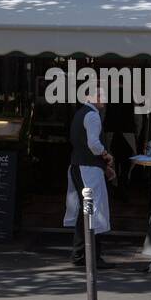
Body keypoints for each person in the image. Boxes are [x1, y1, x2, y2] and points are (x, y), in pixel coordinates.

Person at [64, 90, 114, 268]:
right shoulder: (93, 115)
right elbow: (93, 144)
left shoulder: (80, 113)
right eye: (100, 95)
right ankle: (93, 257)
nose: (104, 99)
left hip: (78, 165)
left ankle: (79, 255)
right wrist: (105, 155)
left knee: (84, 212)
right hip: (89, 169)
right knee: (94, 211)